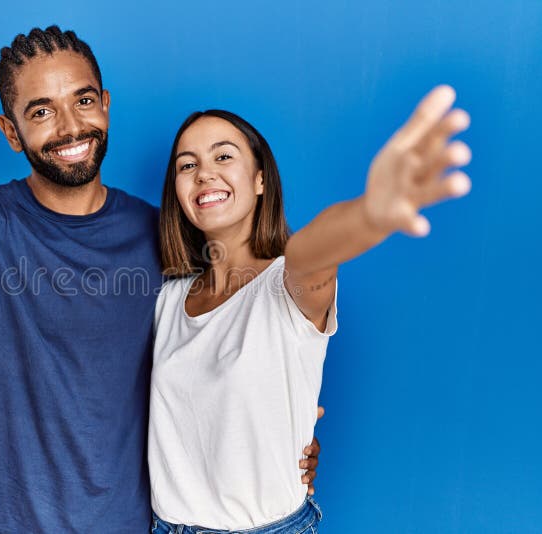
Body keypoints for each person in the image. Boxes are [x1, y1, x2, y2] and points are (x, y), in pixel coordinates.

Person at [0, 26, 321, 533]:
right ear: (11, 131)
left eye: (83, 100)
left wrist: (286, 422)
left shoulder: (165, 240)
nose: (70, 126)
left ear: (105, 104)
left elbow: (237, 345)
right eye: (40, 111)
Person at [148, 91, 470, 534]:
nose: (204, 173)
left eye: (224, 156)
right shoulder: (167, 299)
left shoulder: (286, 285)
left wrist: (369, 214)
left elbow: (312, 251)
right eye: (187, 165)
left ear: (261, 180)